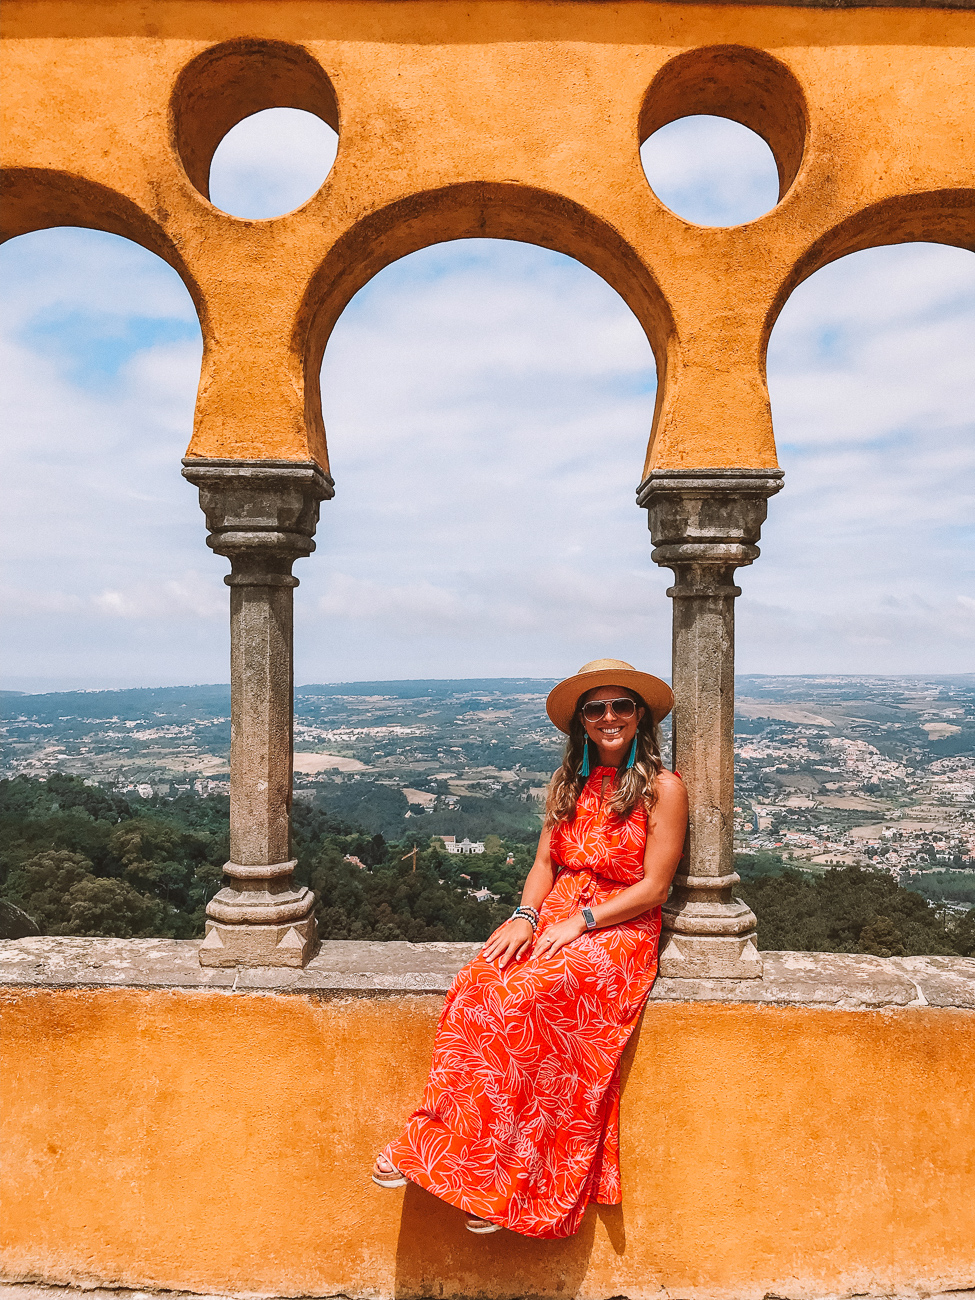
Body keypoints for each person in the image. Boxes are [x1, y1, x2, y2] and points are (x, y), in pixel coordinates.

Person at [371, 658, 688, 1239]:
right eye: (596, 709)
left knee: (527, 998)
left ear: (640, 716)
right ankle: (466, 1161)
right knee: (476, 987)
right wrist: (524, 915)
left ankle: (510, 1182)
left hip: (620, 925)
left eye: (622, 706)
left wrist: (583, 921)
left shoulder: (663, 789)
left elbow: (655, 887)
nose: (609, 717)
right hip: (560, 911)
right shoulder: (570, 783)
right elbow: (544, 863)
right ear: (582, 724)